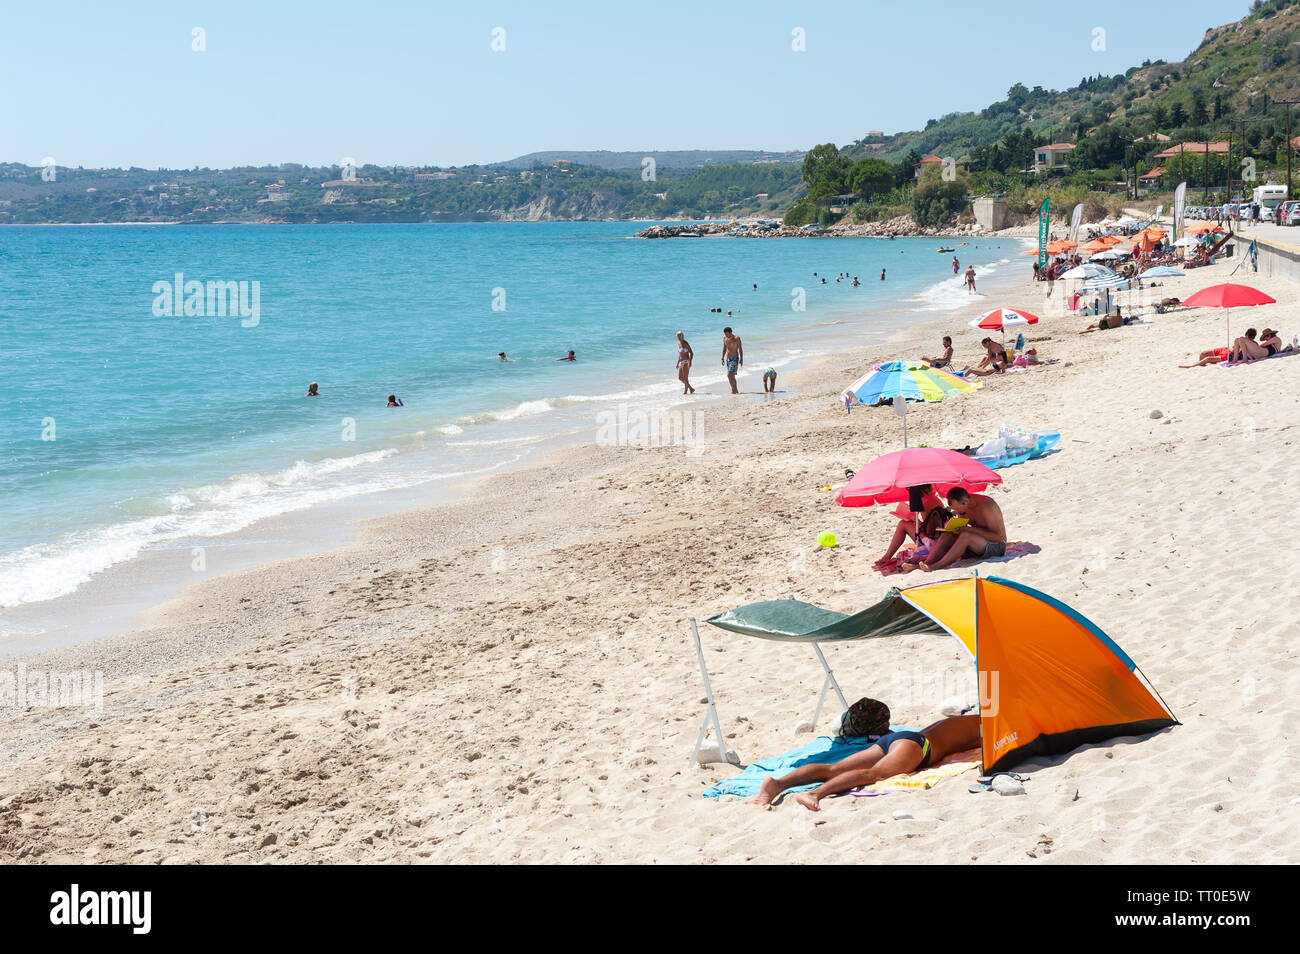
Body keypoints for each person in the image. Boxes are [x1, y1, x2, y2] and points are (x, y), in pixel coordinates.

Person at [752, 712, 982, 811]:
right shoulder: (989, 726)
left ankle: (778, 783)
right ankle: (815, 794)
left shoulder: (973, 718)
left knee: (832, 768)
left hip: (902, 737)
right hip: (920, 746)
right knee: (874, 775)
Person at [919, 487, 1007, 571]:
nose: (956, 513)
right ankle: (927, 563)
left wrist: (971, 530)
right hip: (977, 545)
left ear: (966, 501)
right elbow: (962, 527)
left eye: (957, 509)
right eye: (954, 510)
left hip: (996, 546)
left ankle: (936, 566)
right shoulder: (963, 508)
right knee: (948, 534)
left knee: (966, 535)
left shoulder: (987, 505)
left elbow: (999, 538)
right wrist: (950, 526)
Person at [873, 484, 943, 567]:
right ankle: (887, 556)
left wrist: (916, 521)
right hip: (941, 540)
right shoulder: (934, 498)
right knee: (905, 523)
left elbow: (929, 531)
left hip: (933, 545)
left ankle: (886, 557)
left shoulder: (925, 502)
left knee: (902, 524)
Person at [721, 326, 743, 394]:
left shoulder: (737, 338)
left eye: (727, 334)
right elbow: (724, 348)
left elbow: (740, 349)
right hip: (728, 359)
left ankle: (734, 390)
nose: (726, 335)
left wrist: (741, 359)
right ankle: (735, 390)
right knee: (732, 376)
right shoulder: (725, 338)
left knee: (729, 375)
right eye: (725, 334)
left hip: (734, 359)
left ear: (731, 332)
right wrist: (722, 358)